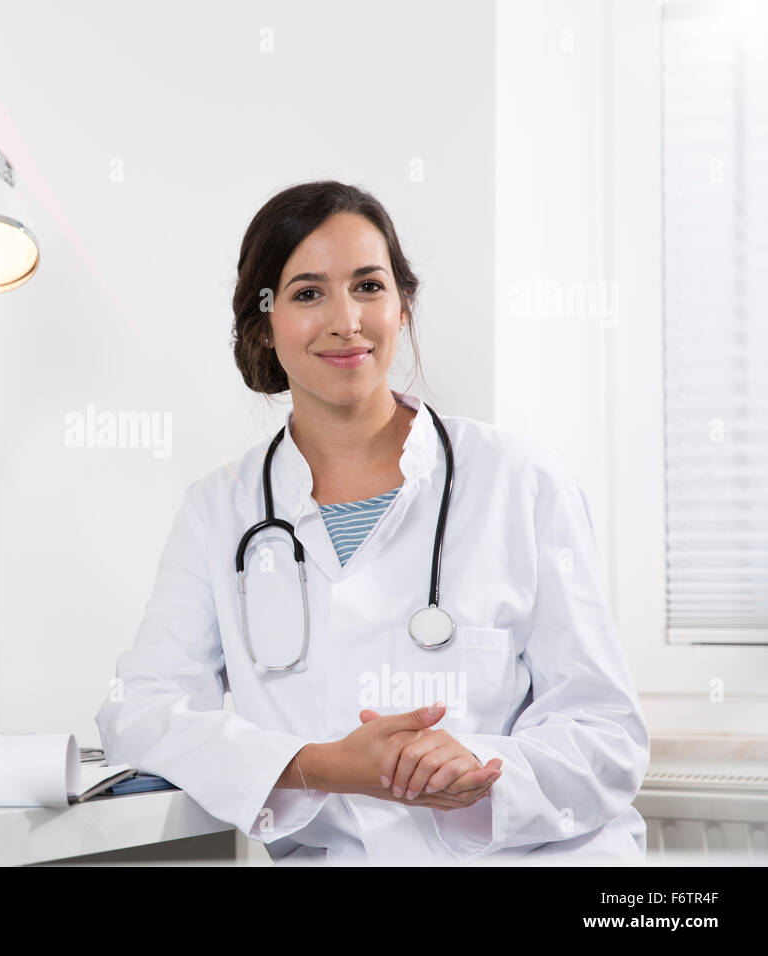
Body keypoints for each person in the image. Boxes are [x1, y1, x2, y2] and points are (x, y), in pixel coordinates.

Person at [94, 181, 649, 864]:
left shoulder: (521, 481)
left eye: (368, 286)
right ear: (264, 325)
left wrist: (472, 765)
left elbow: (607, 734)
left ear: (403, 305)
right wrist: (318, 766)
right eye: (306, 293)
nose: (345, 320)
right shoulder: (219, 513)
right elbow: (139, 713)